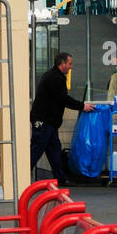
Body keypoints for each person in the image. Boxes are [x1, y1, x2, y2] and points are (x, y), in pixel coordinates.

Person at [31, 52, 94, 185]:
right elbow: (63, 99)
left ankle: (61, 179)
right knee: (36, 149)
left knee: (54, 151)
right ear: (62, 63)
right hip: (44, 121)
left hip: (49, 122)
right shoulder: (55, 78)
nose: (71, 67)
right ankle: (21, 177)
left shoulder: (53, 76)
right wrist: (82, 106)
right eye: (69, 64)